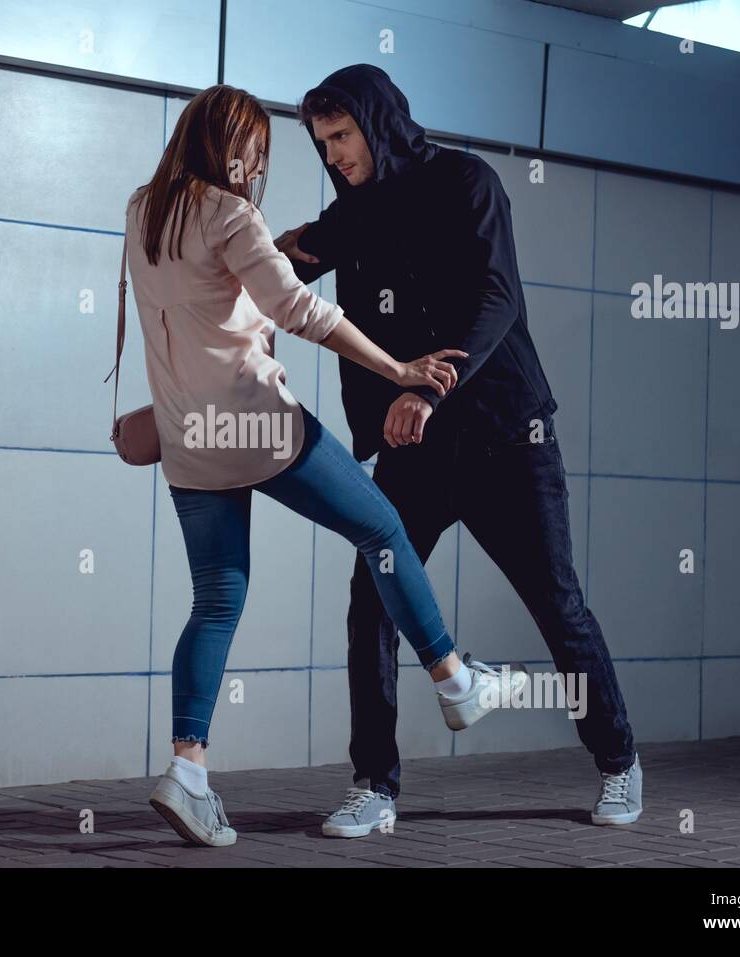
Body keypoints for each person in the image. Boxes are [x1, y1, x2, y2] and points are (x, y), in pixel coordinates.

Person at [125, 84, 528, 847]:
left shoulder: (144, 209)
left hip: (188, 439)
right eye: (261, 152)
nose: (261, 166)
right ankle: (454, 679)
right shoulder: (231, 213)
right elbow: (303, 311)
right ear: (238, 148)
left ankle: (188, 772)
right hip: (255, 425)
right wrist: (400, 367)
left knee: (215, 599)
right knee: (381, 525)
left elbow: (200, 304)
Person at [274, 64, 642, 833]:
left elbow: (498, 296)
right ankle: (374, 785)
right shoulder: (352, 214)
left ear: (378, 122)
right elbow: (285, 261)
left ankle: (618, 762)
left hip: (508, 433)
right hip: (416, 450)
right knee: (370, 599)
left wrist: (427, 389)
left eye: (342, 136)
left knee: (558, 607)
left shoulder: (466, 182)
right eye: (322, 142)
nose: (334, 154)